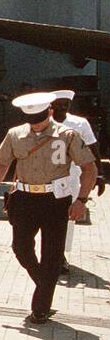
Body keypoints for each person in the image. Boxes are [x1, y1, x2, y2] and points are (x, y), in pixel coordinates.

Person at [0, 92, 96, 324]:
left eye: (41, 119)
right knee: (21, 248)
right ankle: (44, 285)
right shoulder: (15, 134)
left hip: (55, 200)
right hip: (24, 198)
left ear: (50, 112)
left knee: (52, 256)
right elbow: (2, 163)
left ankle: (40, 308)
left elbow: (89, 168)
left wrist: (81, 200)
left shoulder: (67, 135)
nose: (37, 126)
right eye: (32, 120)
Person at [49, 90, 99, 272]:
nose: (61, 107)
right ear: (51, 105)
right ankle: (49, 253)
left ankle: (60, 255)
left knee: (67, 217)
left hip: (71, 176)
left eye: (65, 105)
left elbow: (93, 148)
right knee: (46, 216)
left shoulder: (79, 123)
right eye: (58, 104)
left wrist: (98, 176)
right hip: (46, 177)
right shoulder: (43, 122)